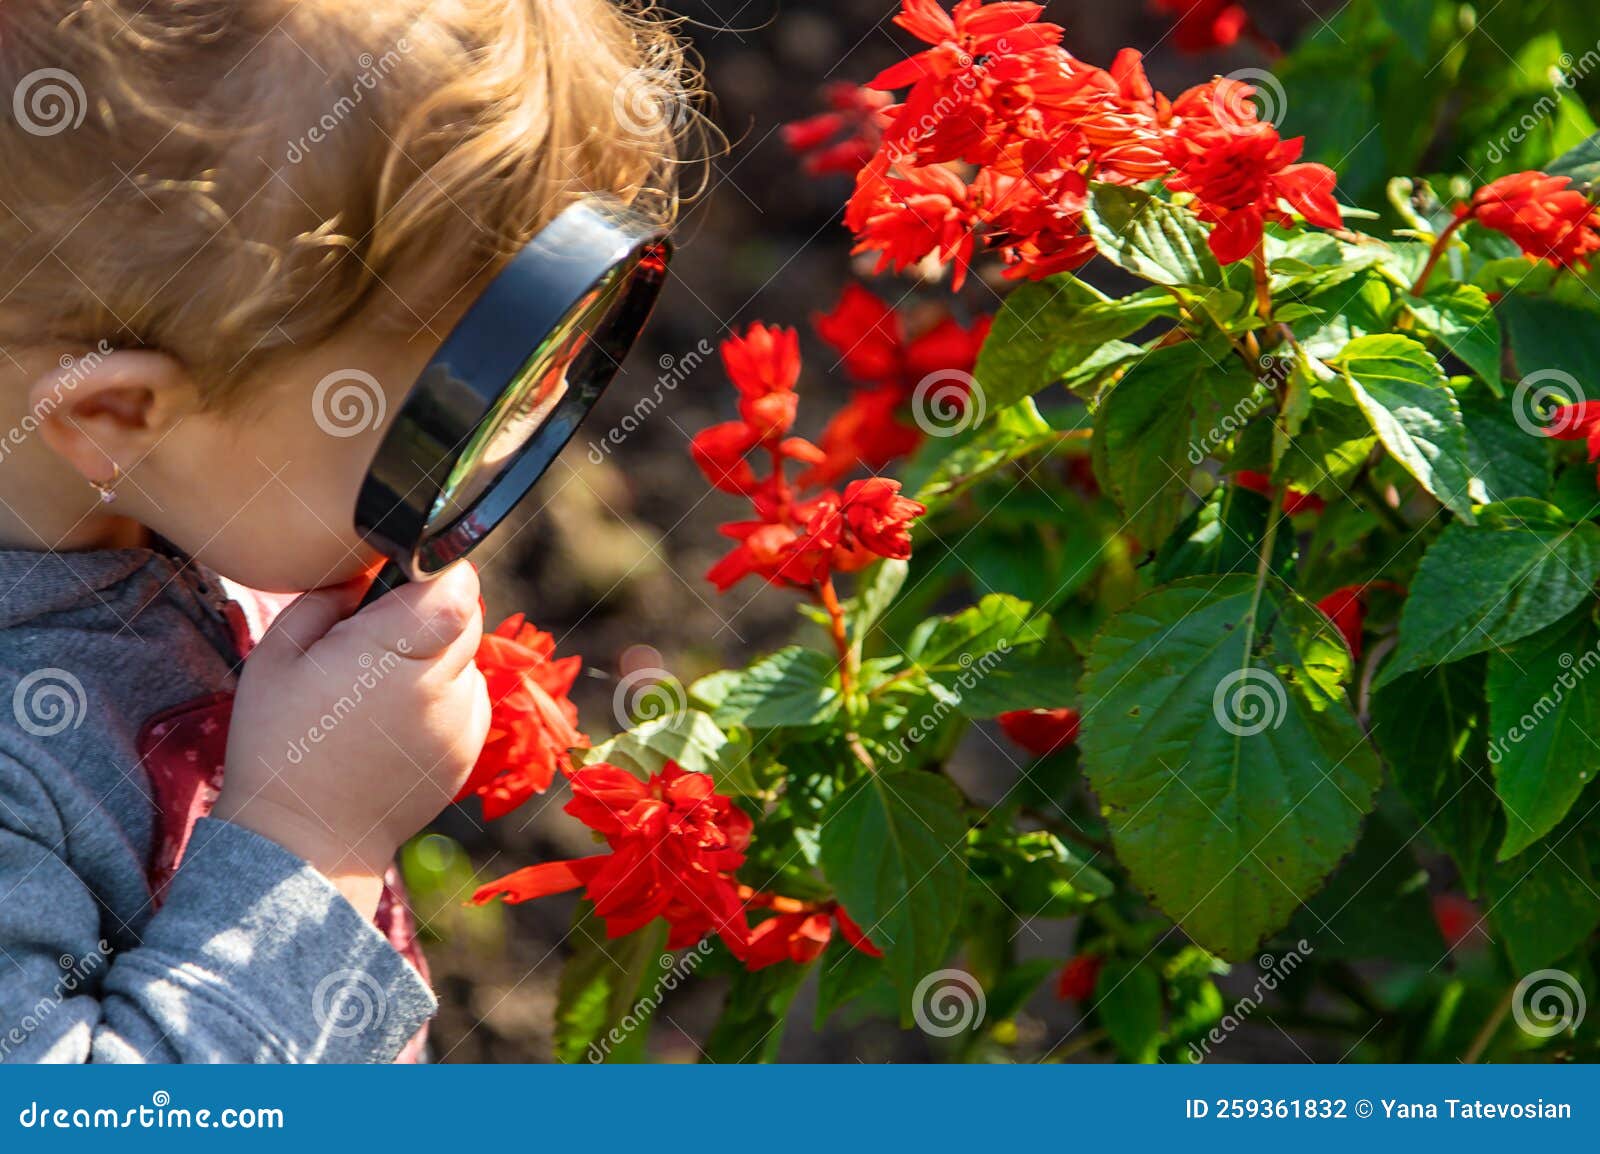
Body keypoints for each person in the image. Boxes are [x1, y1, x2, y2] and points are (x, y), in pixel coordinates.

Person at [0, 0, 687, 1062]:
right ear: (116, 417)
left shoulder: (180, 496)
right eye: (438, 428)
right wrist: (312, 843)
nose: (495, 464)